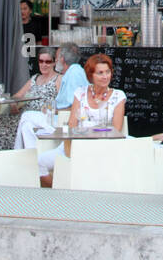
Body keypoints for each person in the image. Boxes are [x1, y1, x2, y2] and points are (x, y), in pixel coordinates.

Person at [39, 53, 125, 186]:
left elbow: (116, 129)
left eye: (108, 72)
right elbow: (73, 124)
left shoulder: (118, 96)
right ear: (91, 75)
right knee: (38, 163)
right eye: (100, 73)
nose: (105, 76)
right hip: (75, 146)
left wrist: (87, 128)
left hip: (102, 149)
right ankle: (60, 191)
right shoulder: (80, 93)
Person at [13, 48, 62, 150]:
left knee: (26, 117)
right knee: (24, 125)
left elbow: (63, 102)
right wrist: (14, 103)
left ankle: (19, 152)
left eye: (48, 62)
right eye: (41, 61)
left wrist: (53, 109)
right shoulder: (34, 78)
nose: (44, 65)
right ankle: (31, 157)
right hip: (28, 116)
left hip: (44, 117)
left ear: (54, 63)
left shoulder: (58, 79)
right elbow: (18, 95)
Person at [53, 43, 87, 111]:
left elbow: (75, 107)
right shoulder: (71, 72)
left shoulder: (74, 73)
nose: (55, 60)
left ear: (62, 59)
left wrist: (54, 112)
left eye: (56, 57)